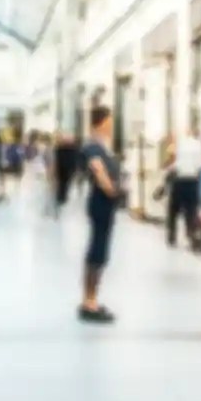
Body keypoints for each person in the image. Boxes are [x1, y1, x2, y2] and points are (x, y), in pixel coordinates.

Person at [79, 107, 121, 323]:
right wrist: (112, 190)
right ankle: (90, 303)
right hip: (101, 203)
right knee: (97, 251)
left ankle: (90, 299)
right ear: (101, 122)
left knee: (99, 251)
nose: (111, 125)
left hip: (104, 204)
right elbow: (97, 169)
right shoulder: (93, 146)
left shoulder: (100, 145)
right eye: (109, 121)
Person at [167, 124, 201, 252]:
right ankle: (191, 235)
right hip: (193, 181)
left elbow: (172, 162)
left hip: (179, 179)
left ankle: (172, 236)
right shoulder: (198, 145)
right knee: (191, 210)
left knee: (173, 209)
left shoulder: (178, 143)